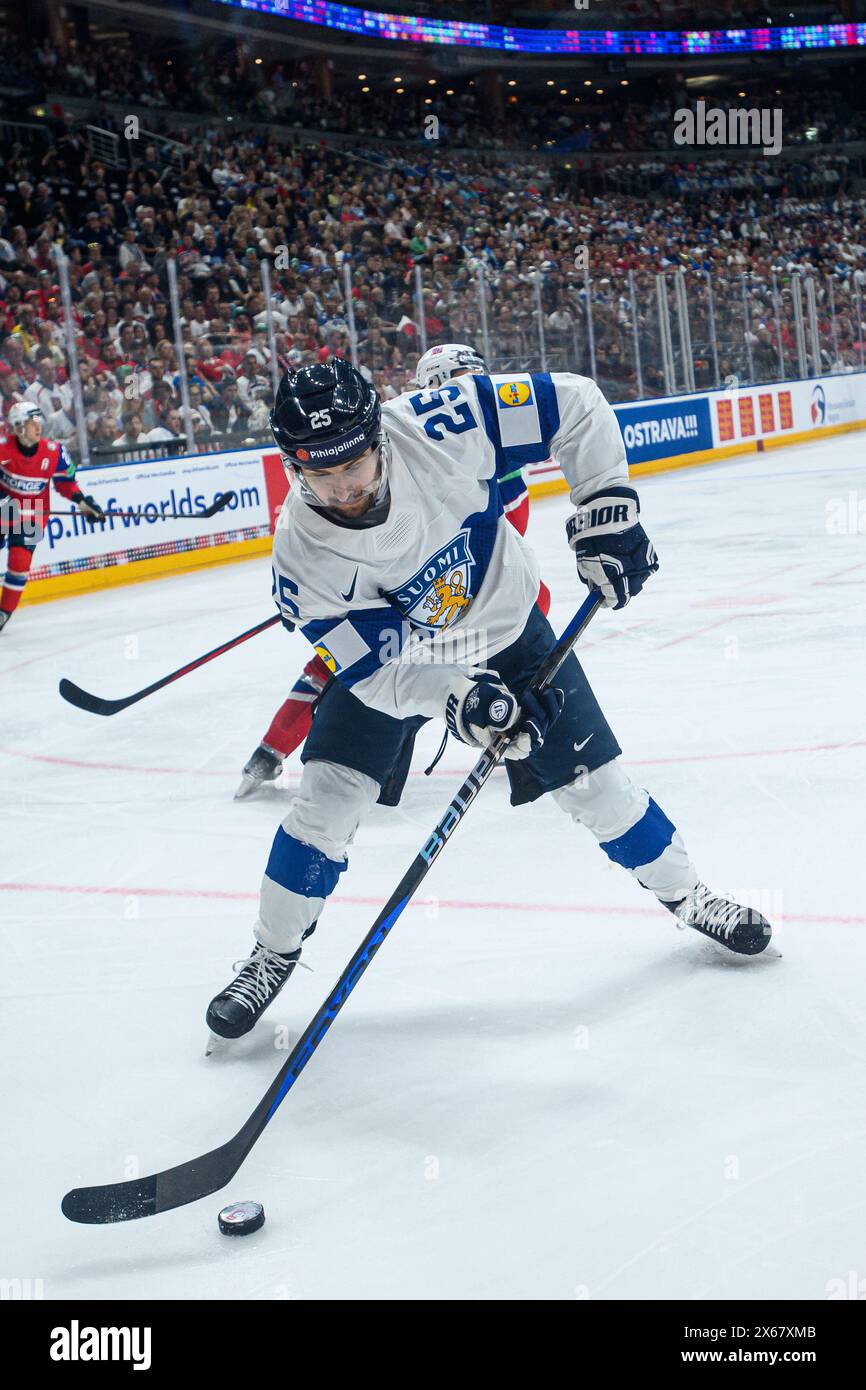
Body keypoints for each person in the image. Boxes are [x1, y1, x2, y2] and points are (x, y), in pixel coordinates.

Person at [206, 358, 771, 1043]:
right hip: (408, 661)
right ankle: (272, 954)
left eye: (352, 464)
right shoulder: (301, 554)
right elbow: (375, 671)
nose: (342, 488)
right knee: (326, 797)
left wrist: (605, 507)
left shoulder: (442, 424)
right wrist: (457, 701)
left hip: (507, 629)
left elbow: (578, 402)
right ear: (294, 467)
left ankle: (690, 896)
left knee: (599, 790)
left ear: (377, 435)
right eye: (319, 475)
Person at [235, 342, 550, 797]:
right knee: (346, 666)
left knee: (519, 634)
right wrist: (330, 600)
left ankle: (532, 760)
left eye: (473, 377)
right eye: (458, 379)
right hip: (409, 612)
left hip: (452, 603)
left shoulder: (473, 446)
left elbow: (506, 534)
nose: (471, 387)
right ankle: (277, 751)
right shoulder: (408, 446)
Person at [0, 402, 105, 631]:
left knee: (19, 562)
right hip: (4, 508)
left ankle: (3, 613)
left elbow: (66, 484)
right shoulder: (2, 449)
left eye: (38, 422)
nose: (38, 428)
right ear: (18, 427)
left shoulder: (54, 452)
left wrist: (82, 502)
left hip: (32, 514)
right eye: (32, 423)